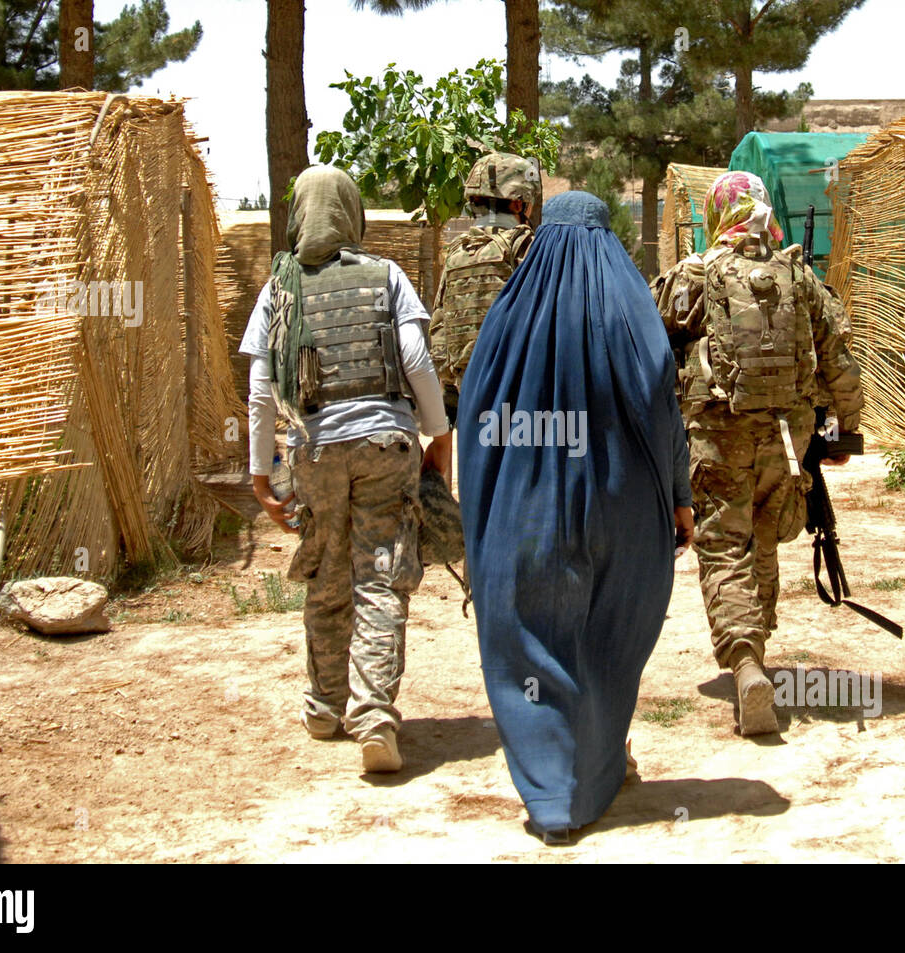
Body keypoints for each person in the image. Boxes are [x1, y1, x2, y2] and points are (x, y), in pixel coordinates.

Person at [458, 191, 694, 843]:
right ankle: (599, 764)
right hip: (620, 513)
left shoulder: (512, 315)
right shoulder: (630, 309)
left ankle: (552, 792)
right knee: (605, 639)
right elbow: (663, 408)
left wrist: (482, 516)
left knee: (534, 640)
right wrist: (680, 499)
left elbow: (476, 414)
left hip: (528, 518)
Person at [238, 165, 450, 774]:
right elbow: (414, 357)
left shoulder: (278, 288)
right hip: (386, 444)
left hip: (315, 449)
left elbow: (258, 391)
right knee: (380, 576)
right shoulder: (387, 277)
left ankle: (323, 705)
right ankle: (375, 716)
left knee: (325, 573)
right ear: (352, 213)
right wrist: (439, 432)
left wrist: (261, 472)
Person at [651, 170, 865, 736]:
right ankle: (759, 654)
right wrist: (846, 428)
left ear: (717, 216)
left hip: (717, 434)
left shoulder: (691, 278)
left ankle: (745, 660)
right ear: (765, 213)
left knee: (723, 542)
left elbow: (645, 344)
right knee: (764, 534)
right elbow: (839, 354)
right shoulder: (799, 275)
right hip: (786, 434)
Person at [424, 152, 539, 480]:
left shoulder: (457, 253)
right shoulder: (524, 247)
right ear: (517, 204)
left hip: (469, 399)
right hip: (519, 403)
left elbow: (441, 329)